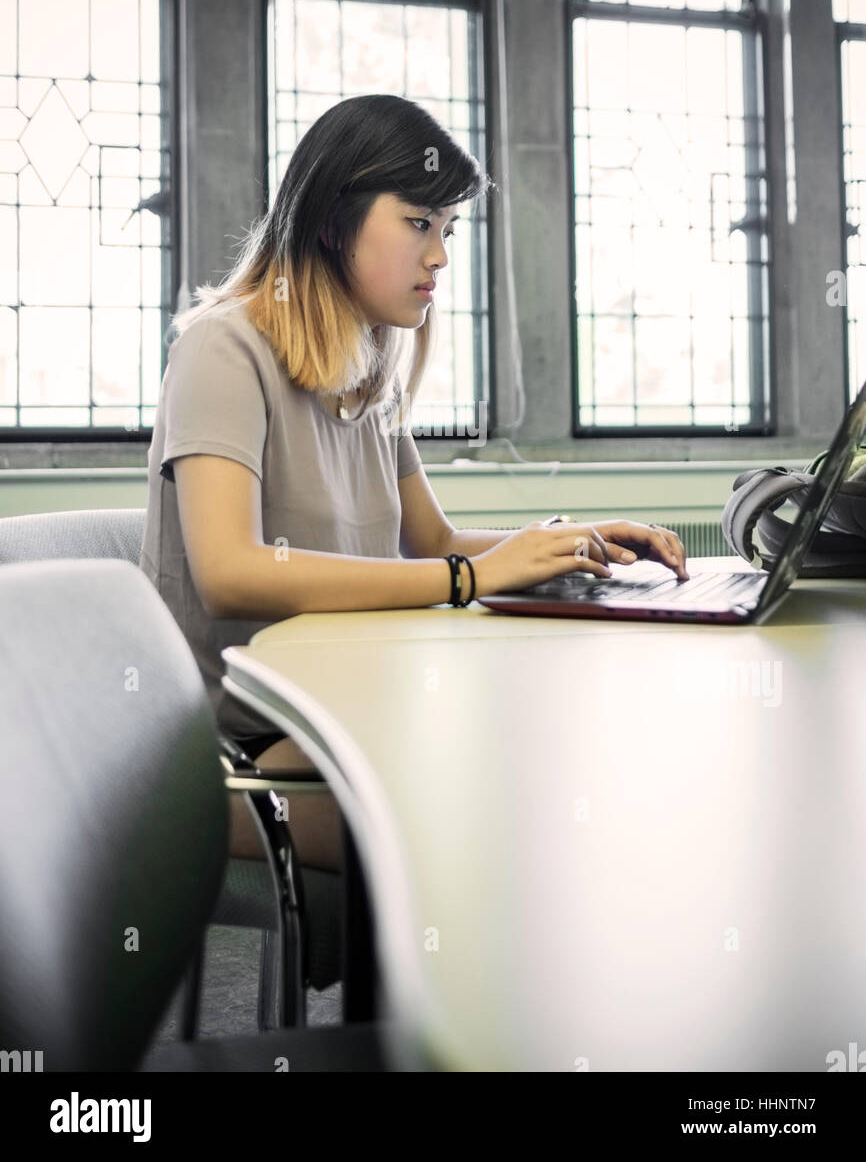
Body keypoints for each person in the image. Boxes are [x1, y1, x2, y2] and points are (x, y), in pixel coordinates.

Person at [139, 92, 689, 873]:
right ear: (332, 219)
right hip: (242, 743)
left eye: (449, 231)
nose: (439, 256)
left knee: (547, 749)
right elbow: (230, 573)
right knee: (500, 806)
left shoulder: (370, 368)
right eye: (419, 223)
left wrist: (570, 540)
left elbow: (429, 542)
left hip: (341, 698)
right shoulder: (221, 349)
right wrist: (468, 578)